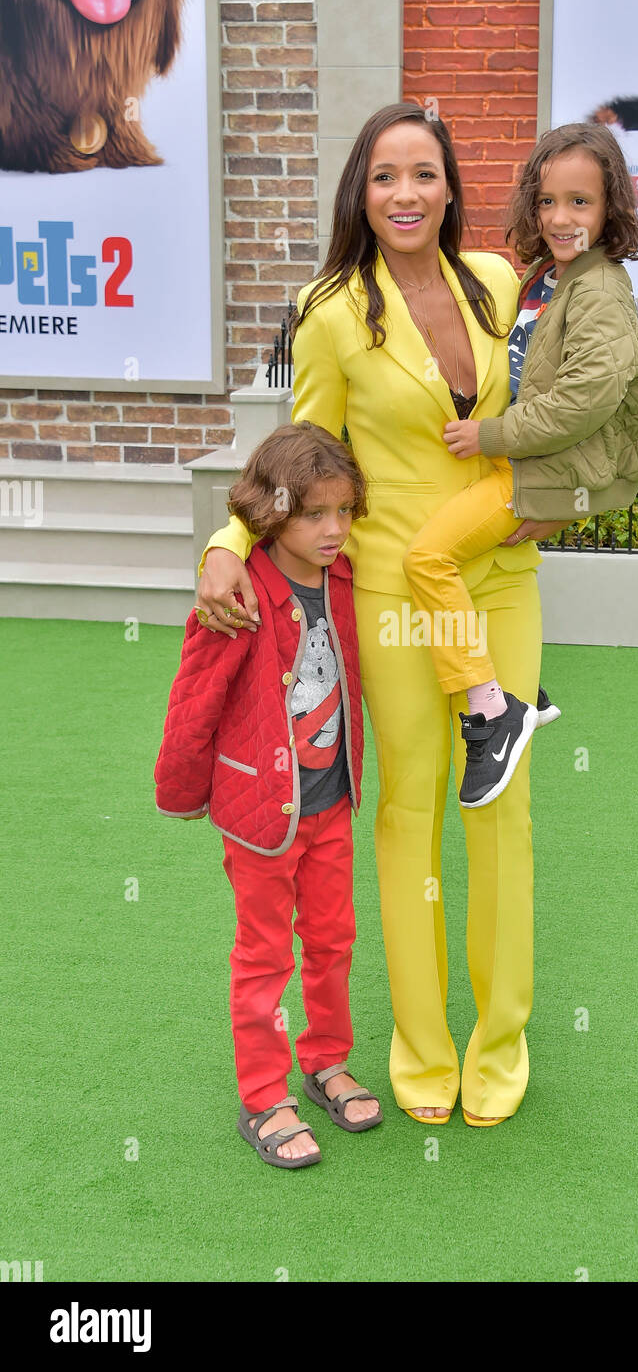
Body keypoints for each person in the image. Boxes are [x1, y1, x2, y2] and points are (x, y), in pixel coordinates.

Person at [195, 102, 574, 1127]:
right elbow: (299, 457)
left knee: (501, 811)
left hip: (499, 578)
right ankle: (421, 1047)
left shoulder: (497, 283)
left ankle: (500, 1039)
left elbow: (544, 415)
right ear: (359, 196)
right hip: (398, 598)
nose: (404, 194)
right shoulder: (330, 311)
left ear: (450, 188)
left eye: (422, 174)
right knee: (407, 813)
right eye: (383, 177)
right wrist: (230, 545)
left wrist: (549, 496)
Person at [402, 123, 638, 810]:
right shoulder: (548, 277)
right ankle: (524, 682)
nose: (560, 218)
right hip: (529, 467)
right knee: (466, 560)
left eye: (580, 202)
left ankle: (493, 710)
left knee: (427, 558)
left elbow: (584, 399)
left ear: (611, 208)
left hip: (543, 469)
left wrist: (489, 435)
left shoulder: (600, 289)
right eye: (547, 201)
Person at [154, 422, 383, 1168]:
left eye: (343, 512)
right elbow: (197, 694)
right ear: (272, 513)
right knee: (263, 956)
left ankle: (324, 1062)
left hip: (332, 805)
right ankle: (264, 1096)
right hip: (261, 819)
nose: (333, 529)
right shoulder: (240, 591)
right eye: (314, 514)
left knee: (334, 940)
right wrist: (183, 790)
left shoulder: (345, 577)